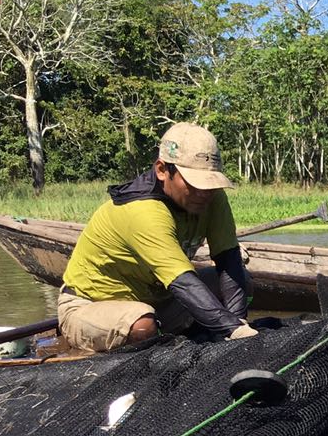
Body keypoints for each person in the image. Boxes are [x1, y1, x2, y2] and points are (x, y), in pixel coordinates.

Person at [58, 122, 257, 353]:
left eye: (209, 184)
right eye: (194, 183)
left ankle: (200, 335)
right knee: (143, 325)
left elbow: (228, 259)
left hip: (159, 302)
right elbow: (183, 282)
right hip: (90, 306)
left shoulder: (213, 199)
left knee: (243, 281)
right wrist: (233, 330)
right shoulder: (143, 211)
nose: (203, 193)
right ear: (162, 170)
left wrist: (238, 324)